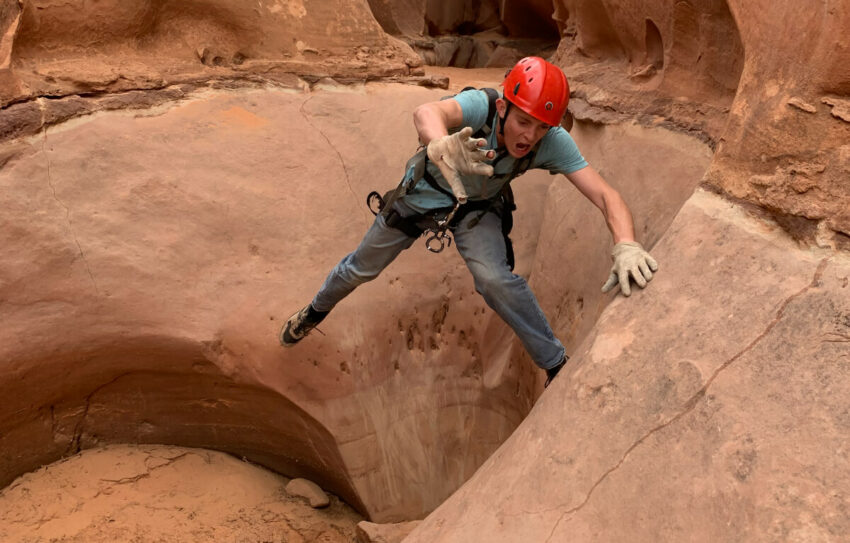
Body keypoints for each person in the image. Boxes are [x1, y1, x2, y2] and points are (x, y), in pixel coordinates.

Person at [280, 57, 658, 388]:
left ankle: (555, 363)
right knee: (360, 270)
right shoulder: (483, 106)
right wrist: (440, 143)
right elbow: (427, 112)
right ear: (505, 106)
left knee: (495, 280)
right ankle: (314, 312)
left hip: (477, 209)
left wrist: (626, 243)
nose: (530, 136)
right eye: (524, 121)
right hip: (420, 198)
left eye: (542, 127)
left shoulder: (550, 141)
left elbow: (607, 196)